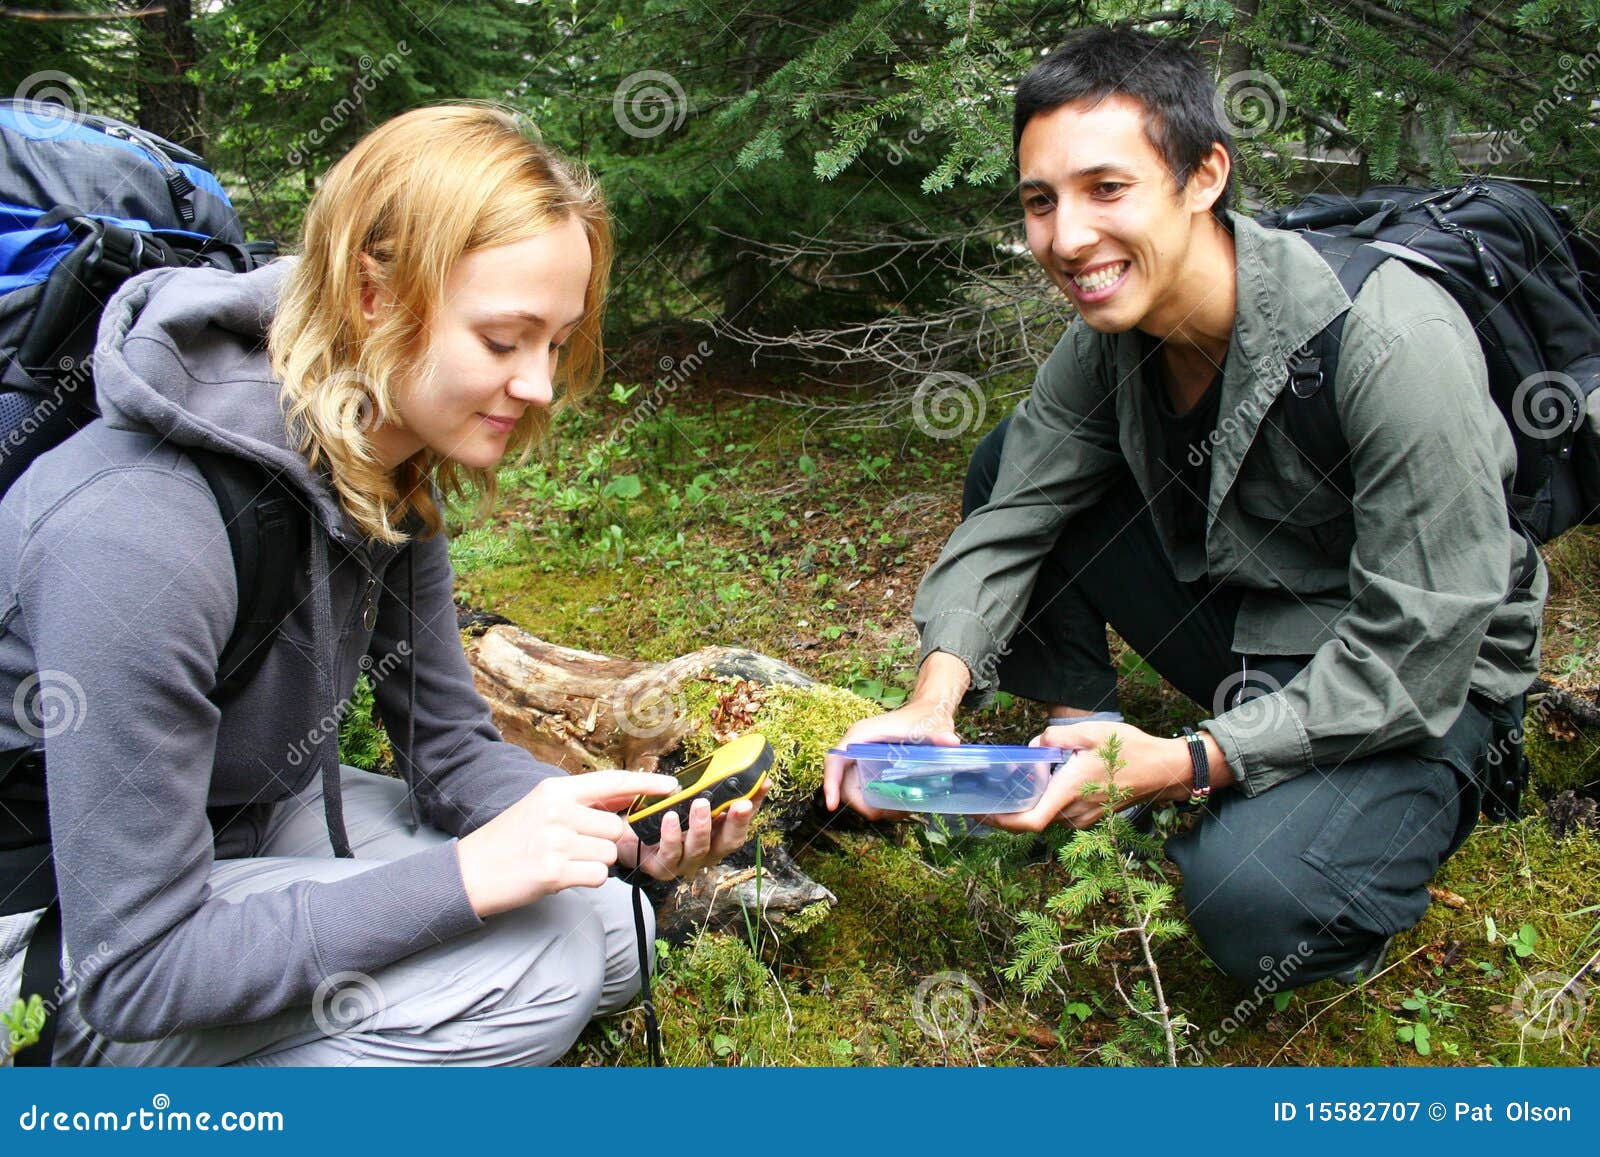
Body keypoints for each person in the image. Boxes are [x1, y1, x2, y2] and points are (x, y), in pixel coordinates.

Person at [0, 104, 759, 1066]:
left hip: (236, 815)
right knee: (539, 972)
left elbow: (447, 754)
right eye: (503, 339)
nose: (536, 385)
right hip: (57, 922)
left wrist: (615, 827)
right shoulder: (138, 526)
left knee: (611, 924)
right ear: (371, 295)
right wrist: (469, 880)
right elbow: (136, 962)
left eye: (557, 343)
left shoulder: (383, 464)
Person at [824, 28, 1546, 991]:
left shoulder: (1390, 338)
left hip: (1419, 681)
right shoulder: (1109, 340)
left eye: (1105, 189)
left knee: (1254, 905)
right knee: (1010, 461)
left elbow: (1418, 652)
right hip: (1254, 618)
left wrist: (1194, 761)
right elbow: (1014, 511)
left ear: (1204, 175)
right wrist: (932, 699)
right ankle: (1083, 758)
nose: (1068, 237)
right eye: (1040, 201)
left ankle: (1414, 803)